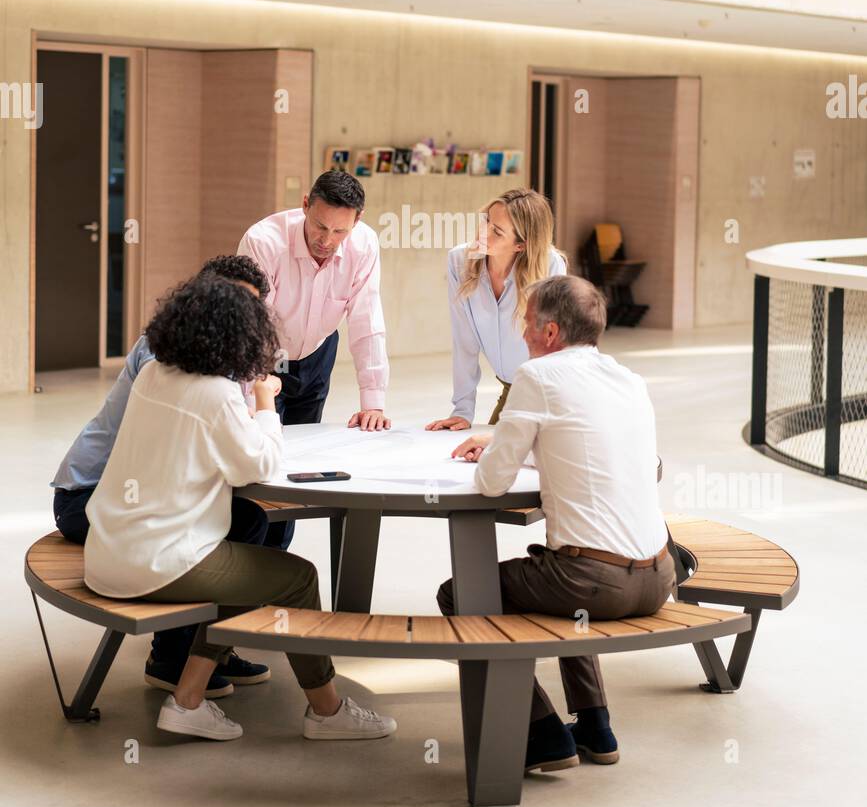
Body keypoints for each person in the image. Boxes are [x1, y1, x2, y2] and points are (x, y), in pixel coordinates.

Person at [83, 274, 397, 745]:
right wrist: (267, 402)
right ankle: (327, 711)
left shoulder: (154, 374)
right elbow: (260, 464)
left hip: (106, 551)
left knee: (246, 569)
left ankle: (188, 700)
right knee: (296, 578)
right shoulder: (216, 394)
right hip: (157, 561)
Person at [439, 274, 675, 774]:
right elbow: (593, 452)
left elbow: (492, 483)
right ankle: (595, 727)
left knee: (462, 593)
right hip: (658, 578)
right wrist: (514, 442)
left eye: (526, 322)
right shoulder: (629, 381)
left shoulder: (538, 378)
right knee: (563, 572)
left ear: (549, 333)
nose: (521, 332)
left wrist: (504, 447)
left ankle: (541, 732)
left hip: (593, 582)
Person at [51, 254, 276, 698]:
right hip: (89, 499)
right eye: (231, 300)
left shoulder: (203, 349)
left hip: (130, 495)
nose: (239, 314)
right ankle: (175, 658)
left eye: (249, 307)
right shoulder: (170, 355)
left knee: (246, 518)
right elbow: (221, 443)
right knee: (241, 522)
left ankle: (210, 647)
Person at [238, 171, 390, 550]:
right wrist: (251, 396)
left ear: (359, 219)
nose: (327, 241)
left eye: (340, 232)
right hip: (265, 354)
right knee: (256, 460)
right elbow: (250, 325)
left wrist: (373, 401)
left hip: (317, 353)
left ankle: (276, 561)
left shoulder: (365, 244)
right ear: (305, 204)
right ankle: (243, 557)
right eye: (319, 226)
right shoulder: (264, 241)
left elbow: (366, 320)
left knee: (297, 467)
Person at [426, 189, 567, 432]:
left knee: (506, 459)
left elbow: (556, 347)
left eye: (497, 231)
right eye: (487, 221)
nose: (483, 232)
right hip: (512, 388)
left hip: (548, 394)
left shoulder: (550, 265)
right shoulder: (460, 261)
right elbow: (465, 341)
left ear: (521, 245)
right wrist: (463, 410)